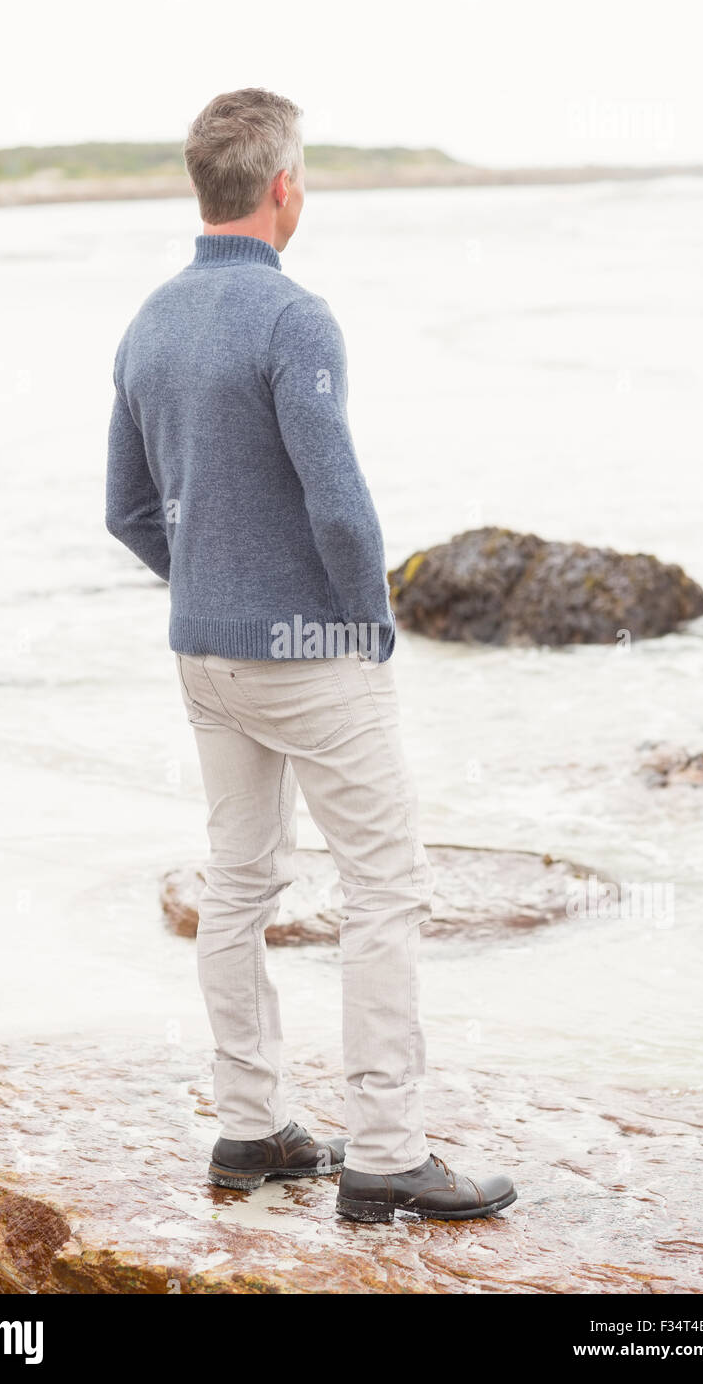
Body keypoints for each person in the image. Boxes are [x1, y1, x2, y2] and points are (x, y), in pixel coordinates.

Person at [106, 87, 516, 1224]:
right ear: (284, 188)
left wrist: (209, 589)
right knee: (384, 886)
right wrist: (364, 622)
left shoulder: (148, 321)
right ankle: (384, 1152)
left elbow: (125, 510)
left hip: (203, 655)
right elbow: (339, 508)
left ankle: (250, 1128)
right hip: (311, 654)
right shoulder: (295, 320)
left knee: (238, 883)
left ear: (209, 189)